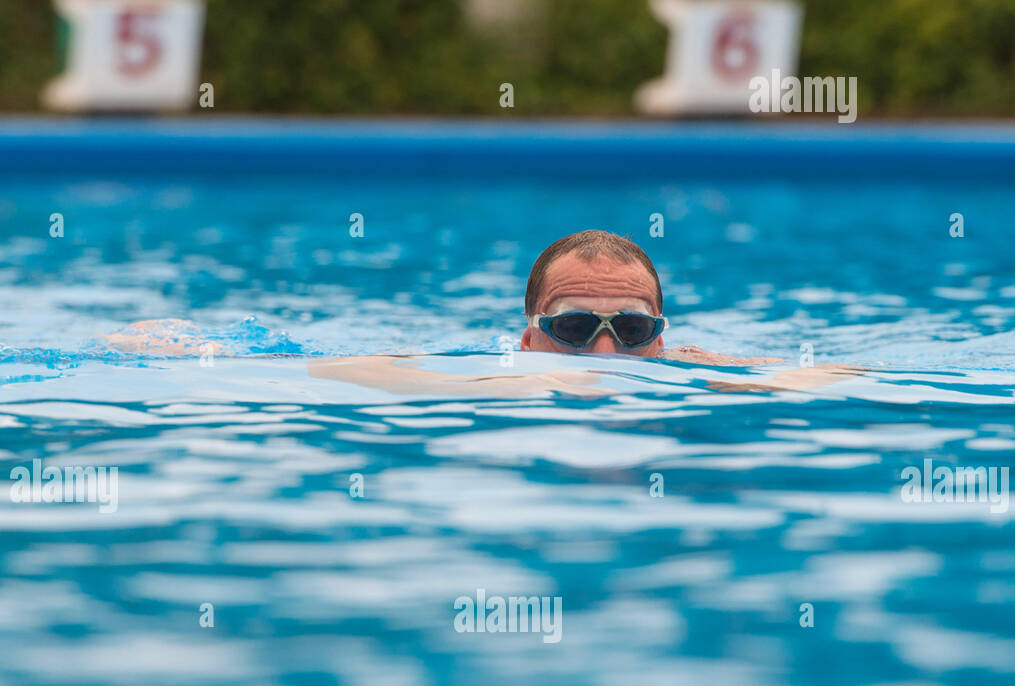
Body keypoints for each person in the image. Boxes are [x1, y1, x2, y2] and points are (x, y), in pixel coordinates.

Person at [107, 230, 857, 395]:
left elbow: (837, 374)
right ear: (530, 334)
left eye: (630, 330)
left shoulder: (699, 372)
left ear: (663, 337)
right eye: (572, 330)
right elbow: (337, 368)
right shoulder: (490, 369)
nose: (603, 354)